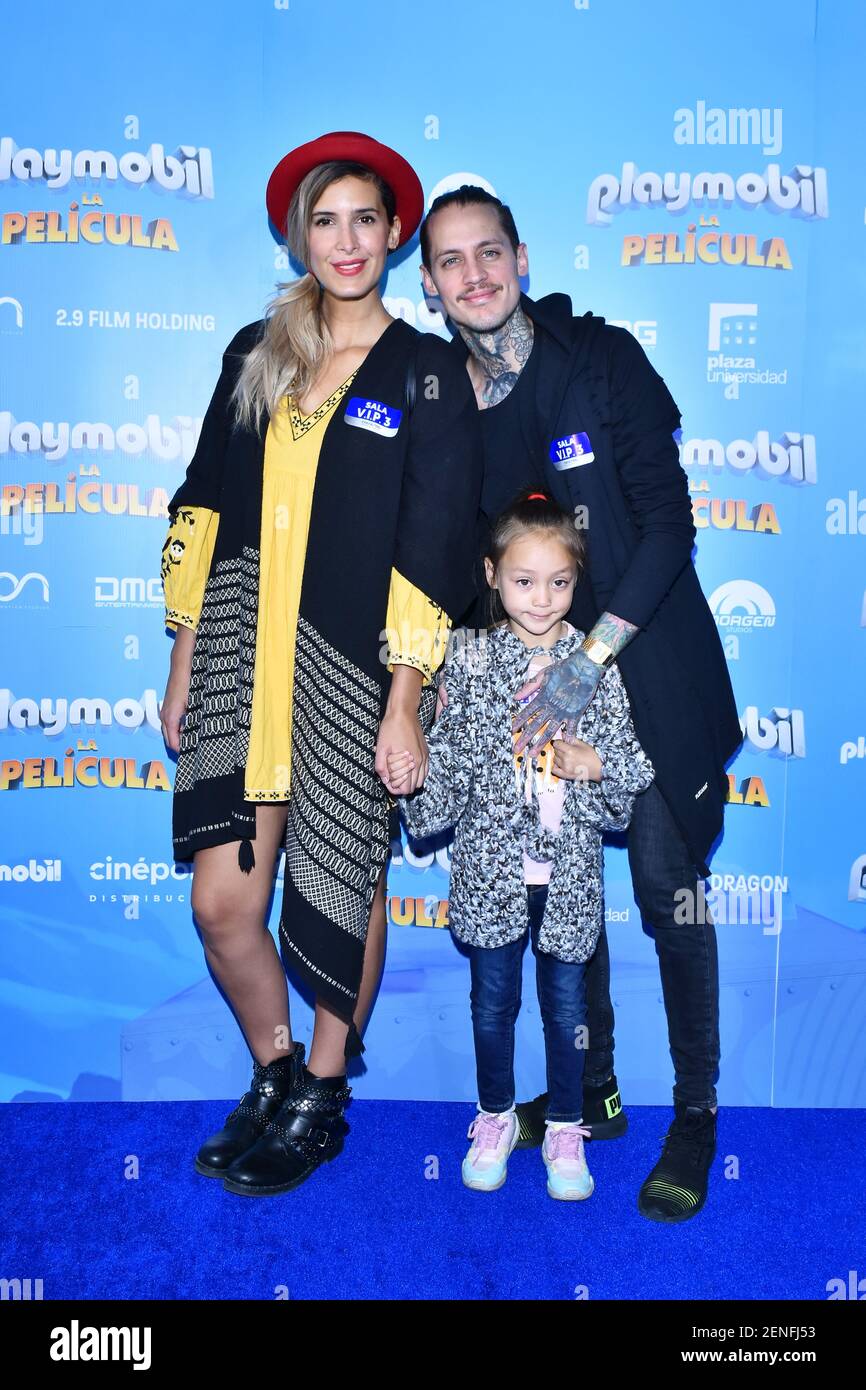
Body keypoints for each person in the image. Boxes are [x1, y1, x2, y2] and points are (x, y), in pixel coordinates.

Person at [158, 132, 481, 1197]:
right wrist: (181, 656)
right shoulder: (260, 349)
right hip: (244, 664)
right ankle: (274, 1068)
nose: (344, 241)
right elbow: (203, 502)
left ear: (394, 237)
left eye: (364, 220)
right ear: (300, 233)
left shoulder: (428, 372)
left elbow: (432, 548)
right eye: (324, 220)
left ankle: (325, 1090)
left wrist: (406, 701)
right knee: (222, 905)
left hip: (351, 671)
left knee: (345, 883)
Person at [418, 186, 744, 1223]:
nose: (474, 276)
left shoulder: (597, 358)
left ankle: (693, 1109)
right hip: (522, 678)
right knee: (553, 877)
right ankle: (588, 1089)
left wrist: (586, 662)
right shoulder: (438, 403)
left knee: (660, 883)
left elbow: (668, 527)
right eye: (450, 262)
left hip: (641, 672)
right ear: (426, 286)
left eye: (489, 253)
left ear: (520, 256)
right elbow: (449, 565)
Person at [390, 490, 654, 1199]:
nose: (542, 599)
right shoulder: (470, 661)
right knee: (490, 1003)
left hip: (567, 875)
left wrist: (590, 762)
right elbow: (443, 762)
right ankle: (495, 1116)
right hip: (490, 871)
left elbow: (631, 769)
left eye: (560, 582)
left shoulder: (596, 664)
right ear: (491, 576)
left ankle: (567, 1126)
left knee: (567, 1010)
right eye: (524, 580)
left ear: (578, 581)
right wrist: (411, 778)